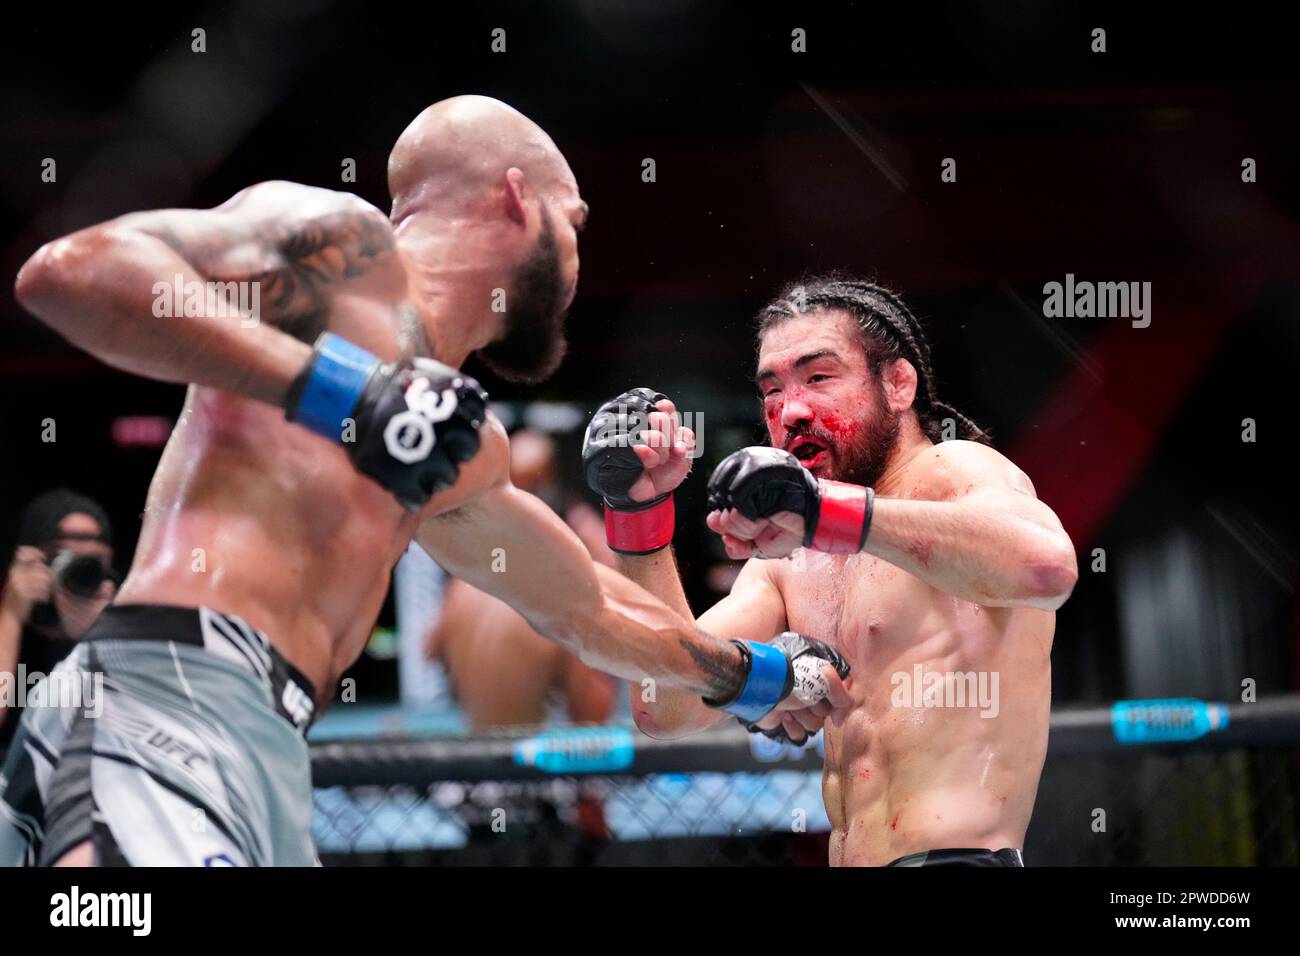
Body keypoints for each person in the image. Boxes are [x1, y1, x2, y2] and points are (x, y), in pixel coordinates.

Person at [1, 97, 848, 867]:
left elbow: (589, 610)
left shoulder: (457, 447)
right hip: (167, 692)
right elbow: (68, 273)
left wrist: (765, 677)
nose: (581, 262)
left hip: (254, 737)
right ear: (519, 201)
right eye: (574, 223)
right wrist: (348, 392)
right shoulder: (336, 247)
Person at [583, 276, 1078, 866]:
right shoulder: (793, 558)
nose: (791, 411)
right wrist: (639, 515)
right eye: (772, 390)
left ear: (897, 384)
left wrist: (824, 510)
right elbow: (661, 705)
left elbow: (1047, 567)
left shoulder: (952, 472)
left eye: (819, 378)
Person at [426, 429, 619, 729]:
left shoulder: (463, 582)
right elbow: (593, 725)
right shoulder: (560, 600)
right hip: (536, 770)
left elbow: (430, 649)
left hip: (469, 766)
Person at [0, 490, 116, 758]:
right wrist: (11, 615)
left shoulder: (119, 628)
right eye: (62, 558)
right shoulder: (7, 619)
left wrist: (102, 635)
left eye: (91, 562)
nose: (80, 571)